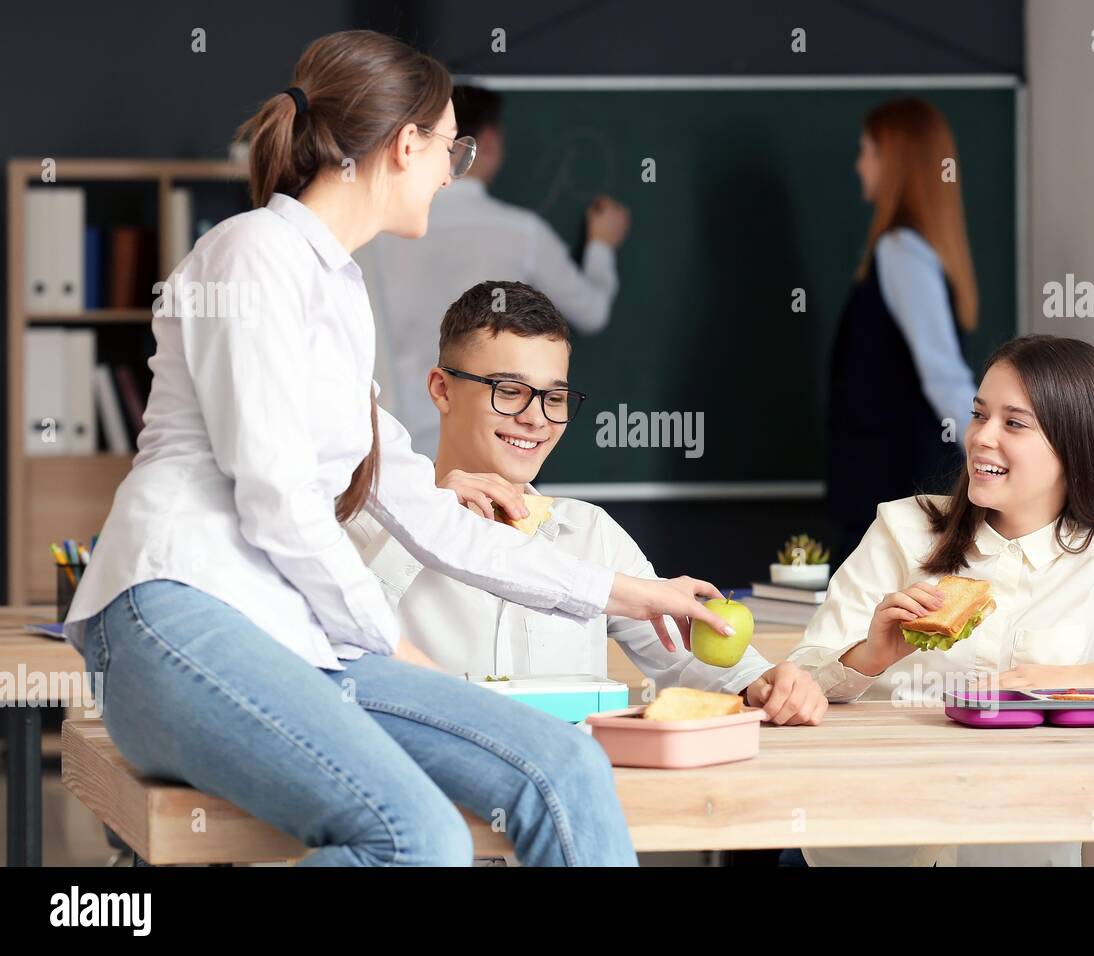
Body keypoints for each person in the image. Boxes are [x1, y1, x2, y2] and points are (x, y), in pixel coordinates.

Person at [63, 30, 734, 867]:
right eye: (449, 147)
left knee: (564, 767)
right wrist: (396, 644)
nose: (454, 170)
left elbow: (420, 506)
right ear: (404, 144)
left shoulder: (341, 293)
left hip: (290, 637)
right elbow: (274, 494)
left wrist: (636, 595)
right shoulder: (251, 255)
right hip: (175, 613)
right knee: (416, 839)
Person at [792, 334, 1094, 866]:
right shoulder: (903, 529)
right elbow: (798, 680)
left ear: (1076, 446)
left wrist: (1091, 681)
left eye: (1014, 423)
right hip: (871, 847)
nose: (983, 437)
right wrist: (866, 658)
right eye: (979, 415)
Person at [346, 280, 828, 726]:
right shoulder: (359, 523)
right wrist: (428, 517)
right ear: (442, 389)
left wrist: (763, 682)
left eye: (554, 399)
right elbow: (342, 646)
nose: (536, 418)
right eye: (510, 391)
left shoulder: (589, 531)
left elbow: (685, 658)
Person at [358, 84, 630, 457]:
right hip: (491, 441)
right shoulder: (521, 232)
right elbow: (591, 311)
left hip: (385, 440)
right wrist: (601, 246)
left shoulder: (376, 232)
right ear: (486, 140)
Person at [827, 97, 979, 565]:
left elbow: (943, 374)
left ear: (895, 163)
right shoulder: (907, 250)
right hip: (890, 482)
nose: (859, 165)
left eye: (868, 152)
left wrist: (991, 447)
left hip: (892, 483)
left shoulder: (900, 250)